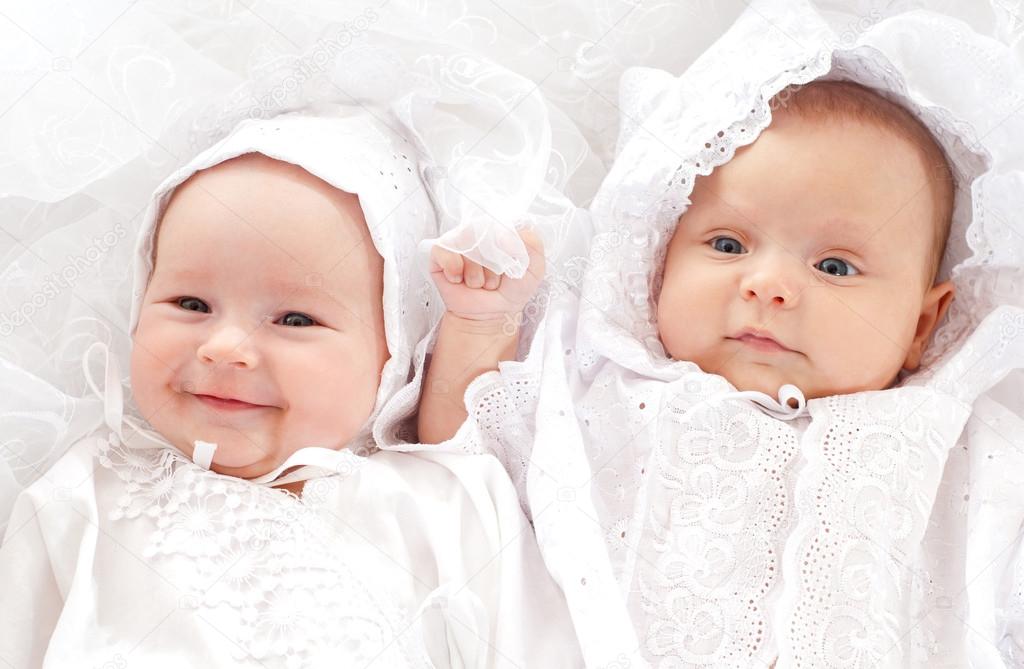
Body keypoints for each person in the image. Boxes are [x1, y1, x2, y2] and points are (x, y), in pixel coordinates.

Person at [417, 2, 1024, 667]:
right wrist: (481, 321)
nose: (768, 285)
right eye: (728, 244)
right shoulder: (601, 388)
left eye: (834, 266)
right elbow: (460, 471)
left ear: (922, 325)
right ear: (658, 263)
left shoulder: (966, 451)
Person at [0, 109, 581, 668]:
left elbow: (467, 453)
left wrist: (479, 321)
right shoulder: (83, 495)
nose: (223, 347)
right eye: (191, 303)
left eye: (295, 320)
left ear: (394, 355)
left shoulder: (430, 503)